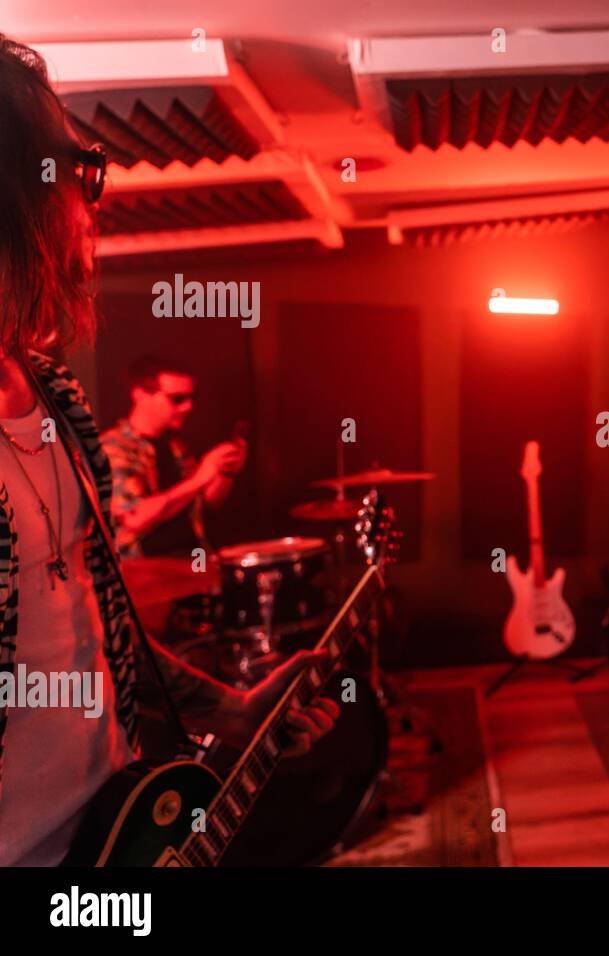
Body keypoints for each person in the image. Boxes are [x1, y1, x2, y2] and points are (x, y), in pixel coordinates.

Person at [0, 34, 337, 866]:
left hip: (113, 829)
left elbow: (94, 620)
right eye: (77, 171)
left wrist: (225, 708)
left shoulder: (55, 396)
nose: (93, 203)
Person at [101, 356, 246, 558]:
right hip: (145, 569)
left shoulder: (174, 444)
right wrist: (200, 477)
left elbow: (207, 501)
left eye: (191, 398)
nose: (188, 407)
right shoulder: (112, 447)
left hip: (193, 556)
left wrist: (227, 470)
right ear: (140, 395)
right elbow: (135, 519)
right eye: (177, 399)